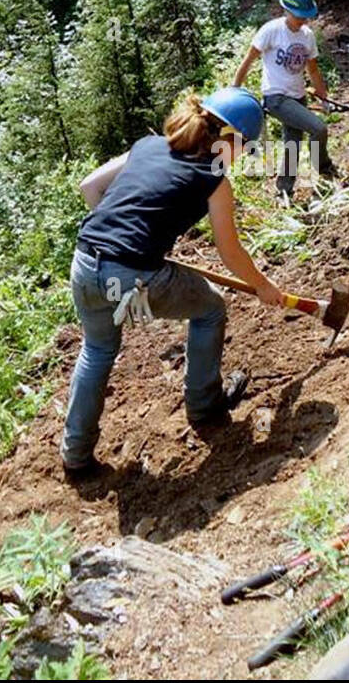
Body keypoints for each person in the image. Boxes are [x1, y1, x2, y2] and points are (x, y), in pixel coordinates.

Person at [61, 86, 284, 480]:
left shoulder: (148, 145)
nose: (241, 157)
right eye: (245, 148)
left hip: (83, 263)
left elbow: (89, 188)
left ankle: (75, 457)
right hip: (131, 276)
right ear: (230, 139)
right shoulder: (214, 179)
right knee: (211, 309)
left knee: (96, 351)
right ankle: (205, 408)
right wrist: (264, 286)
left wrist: (124, 239)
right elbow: (230, 254)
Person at [233, 0, 341, 205]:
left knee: (293, 142)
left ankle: (284, 191)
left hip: (298, 96)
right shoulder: (272, 30)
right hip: (276, 97)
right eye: (299, 15)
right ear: (288, 9)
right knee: (318, 128)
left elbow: (312, 69)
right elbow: (249, 59)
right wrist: (235, 88)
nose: (302, 20)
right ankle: (324, 167)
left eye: (305, 15)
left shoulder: (307, 35)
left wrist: (324, 98)